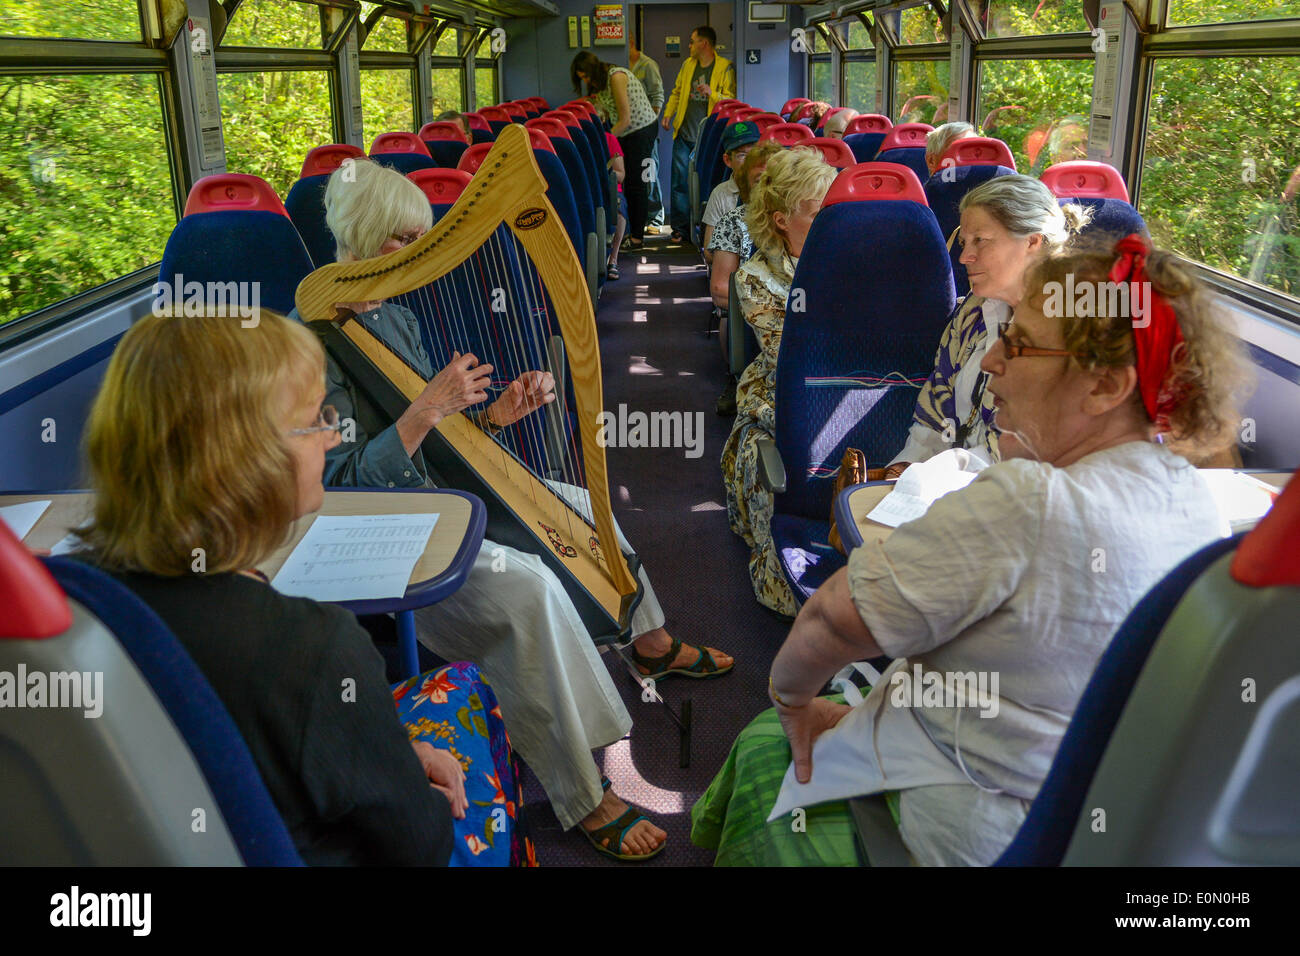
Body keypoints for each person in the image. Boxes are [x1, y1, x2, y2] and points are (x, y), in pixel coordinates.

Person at [693, 235, 1251, 865]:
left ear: (1104, 387)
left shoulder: (1030, 502)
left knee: (770, 743)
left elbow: (832, 619)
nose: (989, 361)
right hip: (1104, 828)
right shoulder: (1201, 505)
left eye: (1017, 342)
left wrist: (792, 699)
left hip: (975, 832)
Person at [298, 158, 735, 861]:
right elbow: (339, 482)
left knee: (585, 508)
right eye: (402, 244)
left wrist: (495, 417)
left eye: (421, 243)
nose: (415, 259)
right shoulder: (309, 346)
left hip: (444, 497)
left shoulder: (396, 317)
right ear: (366, 240)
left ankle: (648, 642)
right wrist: (427, 408)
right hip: (387, 533)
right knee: (530, 590)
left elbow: (446, 444)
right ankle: (582, 793)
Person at [78, 310, 532, 866]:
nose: (331, 436)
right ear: (244, 460)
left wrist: (392, 749)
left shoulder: (76, 597)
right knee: (466, 690)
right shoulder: (314, 646)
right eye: (315, 420)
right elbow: (422, 843)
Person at [885, 175, 1090, 478]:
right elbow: (936, 410)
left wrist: (929, 480)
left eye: (980, 240)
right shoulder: (974, 311)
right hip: (952, 489)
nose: (965, 256)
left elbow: (1022, 460)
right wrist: (904, 471)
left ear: (1032, 241)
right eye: (965, 241)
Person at [720, 148, 837, 618]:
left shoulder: (861, 265)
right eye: (817, 213)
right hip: (778, 394)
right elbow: (790, 357)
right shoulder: (756, 279)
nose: (831, 224)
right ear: (782, 220)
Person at [709, 142, 781, 417]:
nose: (766, 187)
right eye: (758, 180)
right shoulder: (734, 221)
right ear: (745, 185)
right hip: (752, 314)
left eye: (772, 180)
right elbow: (719, 289)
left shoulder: (801, 221)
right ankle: (737, 375)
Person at [571, 51, 659, 252]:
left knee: (636, 182)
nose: (585, 80)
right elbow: (610, 111)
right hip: (627, 133)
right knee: (626, 182)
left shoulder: (616, 77)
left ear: (592, 70)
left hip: (640, 130)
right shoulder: (600, 84)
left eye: (585, 75)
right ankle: (630, 231)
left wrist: (604, 142)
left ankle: (637, 238)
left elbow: (625, 118)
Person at [662, 26, 736, 244]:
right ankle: (680, 229)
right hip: (684, 131)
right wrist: (668, 114)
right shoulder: (688, 65)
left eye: (692, 41)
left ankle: (705, 228)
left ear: (704, 43)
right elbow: (677, 92)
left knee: (706, 182)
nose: (689, 45)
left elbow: (730, 99)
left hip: (709, 136)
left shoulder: (724, 67)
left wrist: (713, 94)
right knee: (679, 181)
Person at [702, 120, 760, 265]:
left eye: (754, 153)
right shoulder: (720, 194)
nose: (750, 161)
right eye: (742, 155)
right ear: (728, 160)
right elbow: (709, 251)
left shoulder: (772, 189)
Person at [628, 35, 666, 230]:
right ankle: (639, 217)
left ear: (632, 42)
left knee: (648, 170)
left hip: (645, 130)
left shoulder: (648, 65)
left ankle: (655, 217)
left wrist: (649, 125)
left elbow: (657, 96)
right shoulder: (622, 65)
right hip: (629, 132)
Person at [606, 130, 627, 279]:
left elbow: (620, 175)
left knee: (619, 209)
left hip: (609, 187)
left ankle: (613, 259)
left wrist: (604, 173)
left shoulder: (610, 139)